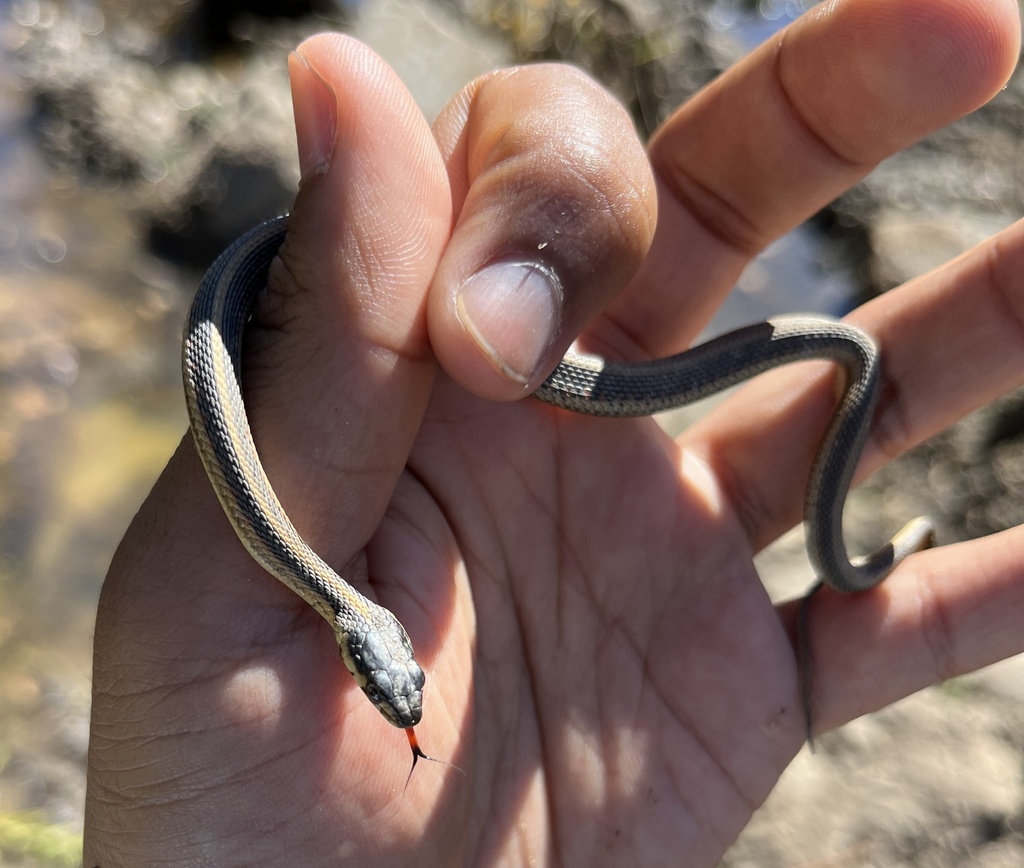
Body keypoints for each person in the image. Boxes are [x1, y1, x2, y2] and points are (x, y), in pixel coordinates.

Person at [84, 1, 1024, 864]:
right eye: (391, 690)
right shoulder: (285, 575)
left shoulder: (292, 549)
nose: (398, 705)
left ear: (385, 643)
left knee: (529, 307)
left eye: (388, 686)